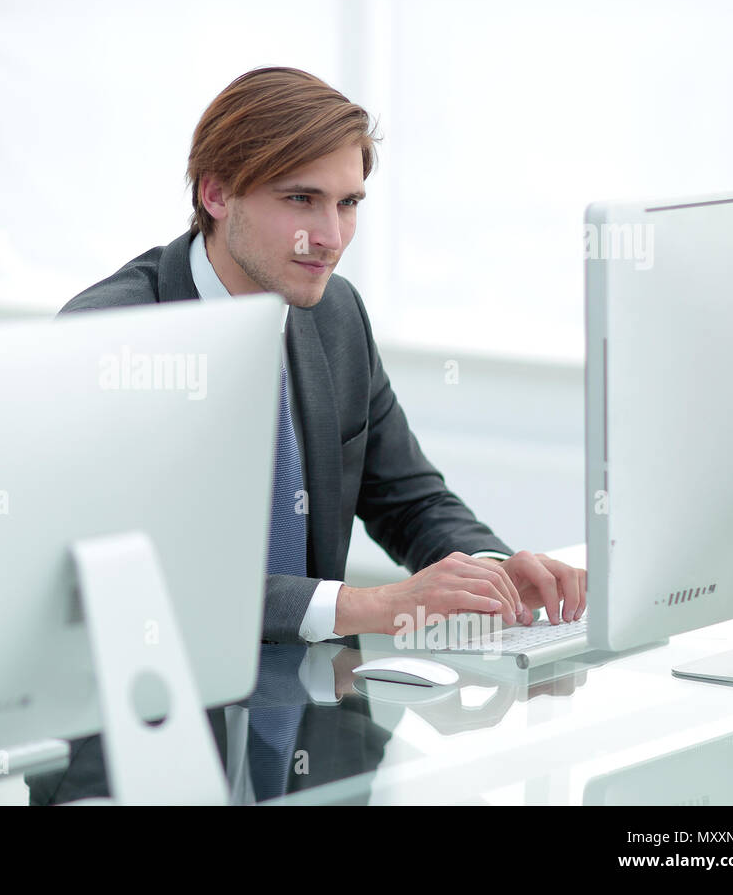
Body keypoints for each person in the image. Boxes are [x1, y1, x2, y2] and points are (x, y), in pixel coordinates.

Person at [59, 67, 587, 645]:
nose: (331, 237)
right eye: (301, 199)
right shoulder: (108, 337)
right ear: (216, 194)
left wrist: (490, 572)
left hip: (306, 705)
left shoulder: (334, 313)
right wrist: (365, 606)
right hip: (154, 701)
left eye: (348, 203)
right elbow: (132, 580)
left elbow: (407, 499)